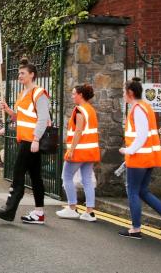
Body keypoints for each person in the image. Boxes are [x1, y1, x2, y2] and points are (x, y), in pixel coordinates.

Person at [118, 77, 161, 239]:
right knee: (143, 191)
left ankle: (135, 229)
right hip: (148, 156)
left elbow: (141, 135)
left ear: (130, 92)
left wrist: (129, 150)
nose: (123, 95)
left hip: (138, 157)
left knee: (133, 192)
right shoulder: (145, 106)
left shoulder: (137, 109)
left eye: (124, 92)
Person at [0, 59, 49, 224]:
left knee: (18, 174)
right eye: (19, 73)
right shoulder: (22, 93)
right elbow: (21, 117)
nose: (19, 76)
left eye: (23, 73)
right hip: (25, 140)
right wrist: (8, 110)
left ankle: (9, 210)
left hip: (31, 141)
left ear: (32, 75)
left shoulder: (39, 93)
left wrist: (36, 139)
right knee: (36, 177)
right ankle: (39, 213)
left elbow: (43, 118)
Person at [57, 84, 99, 222]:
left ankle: (72, 208)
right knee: (87, 179)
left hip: (79, 151)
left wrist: (71, 149)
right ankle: (89, 213)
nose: (72, 96)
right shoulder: (90, 110)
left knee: (66, 176)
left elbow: (78, 131)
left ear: (80, 95)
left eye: (74, 93)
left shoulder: (79, 110)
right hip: (90, 151)